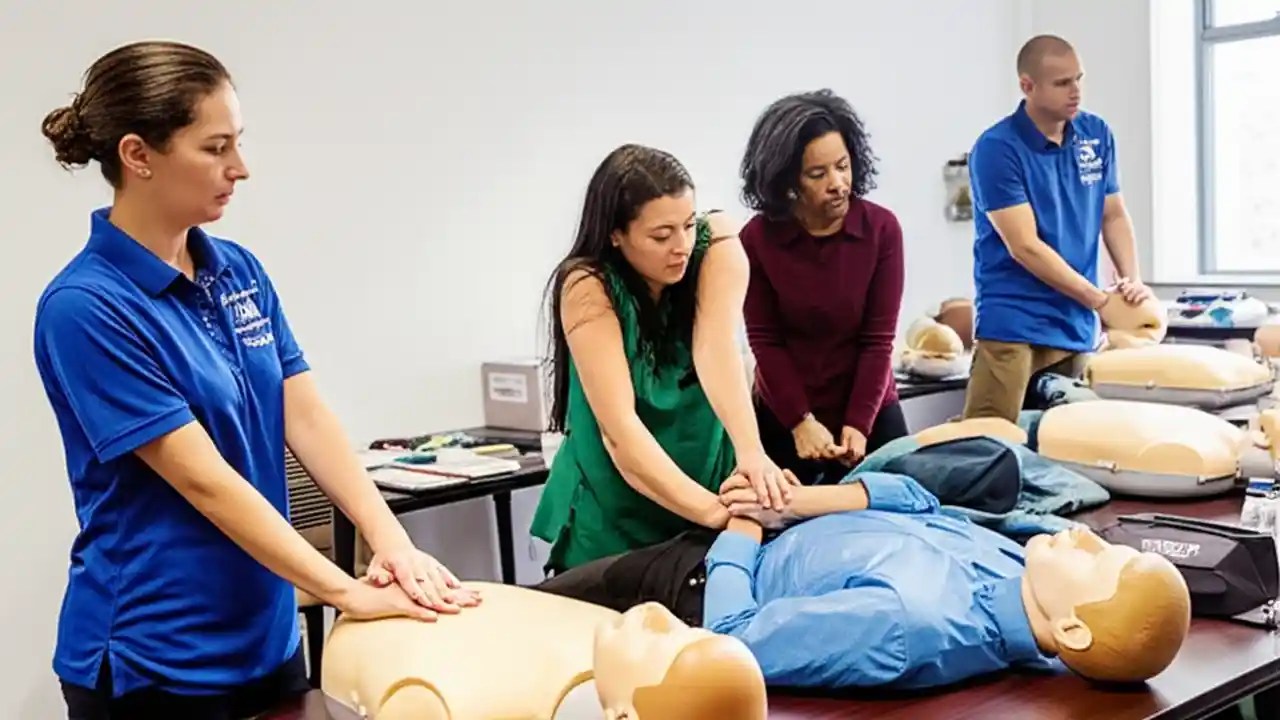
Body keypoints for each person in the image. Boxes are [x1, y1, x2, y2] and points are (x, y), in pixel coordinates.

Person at [34, 40, 477, 719]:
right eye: (215, 149)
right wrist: (346, 591)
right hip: (157, 660)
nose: (239, 168)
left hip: (267, 640)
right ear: (137, 155)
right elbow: (203, 481)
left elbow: (304, 416)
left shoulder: (236, 270)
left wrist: (393, 542)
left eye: (237, 143)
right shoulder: (86, 307)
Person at [534, 473, 1191, 689]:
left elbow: (733, 638)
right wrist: (794, 500)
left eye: (1094, 560)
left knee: (503, 616)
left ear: (1071, 626)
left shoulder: (911, 627)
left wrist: (742, 531)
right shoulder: (1023, 568)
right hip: (757, 532)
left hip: (698, 586)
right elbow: (918, 503)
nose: (1082, 536)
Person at [530, 144, 796, 573]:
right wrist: (716, 514)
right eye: (660, 235)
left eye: (688, 226)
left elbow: (715, 347)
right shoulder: (586, 284)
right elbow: (620, 435)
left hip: (708, 487)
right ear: (616, 234)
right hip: (615, 513)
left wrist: (752, 453)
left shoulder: (717, 246)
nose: (682, 246)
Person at [963, 35, 1153, 423]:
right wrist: (1099, 300)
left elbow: (1113, 214)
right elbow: (1024, 246)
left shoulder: (1096, 134)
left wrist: (1131, 281)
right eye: (1062, 83)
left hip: (1077, 323)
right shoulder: (997, 148)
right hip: (1016, 323)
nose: (1076, 91)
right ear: (1027, 86)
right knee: (990, 443)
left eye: (1078, 79)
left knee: (1069, 443)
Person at [738, 89, 908, 485]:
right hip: (786, 412)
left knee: (903, 511)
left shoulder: (881, 230)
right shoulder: (756, 241)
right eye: (818, 174)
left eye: (843, 166)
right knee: (782, 524)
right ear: (788, 184)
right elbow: (765, 341)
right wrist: (800, 421)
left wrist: (859, 424)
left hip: (867, 407)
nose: (838, 183)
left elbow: (878, 340)